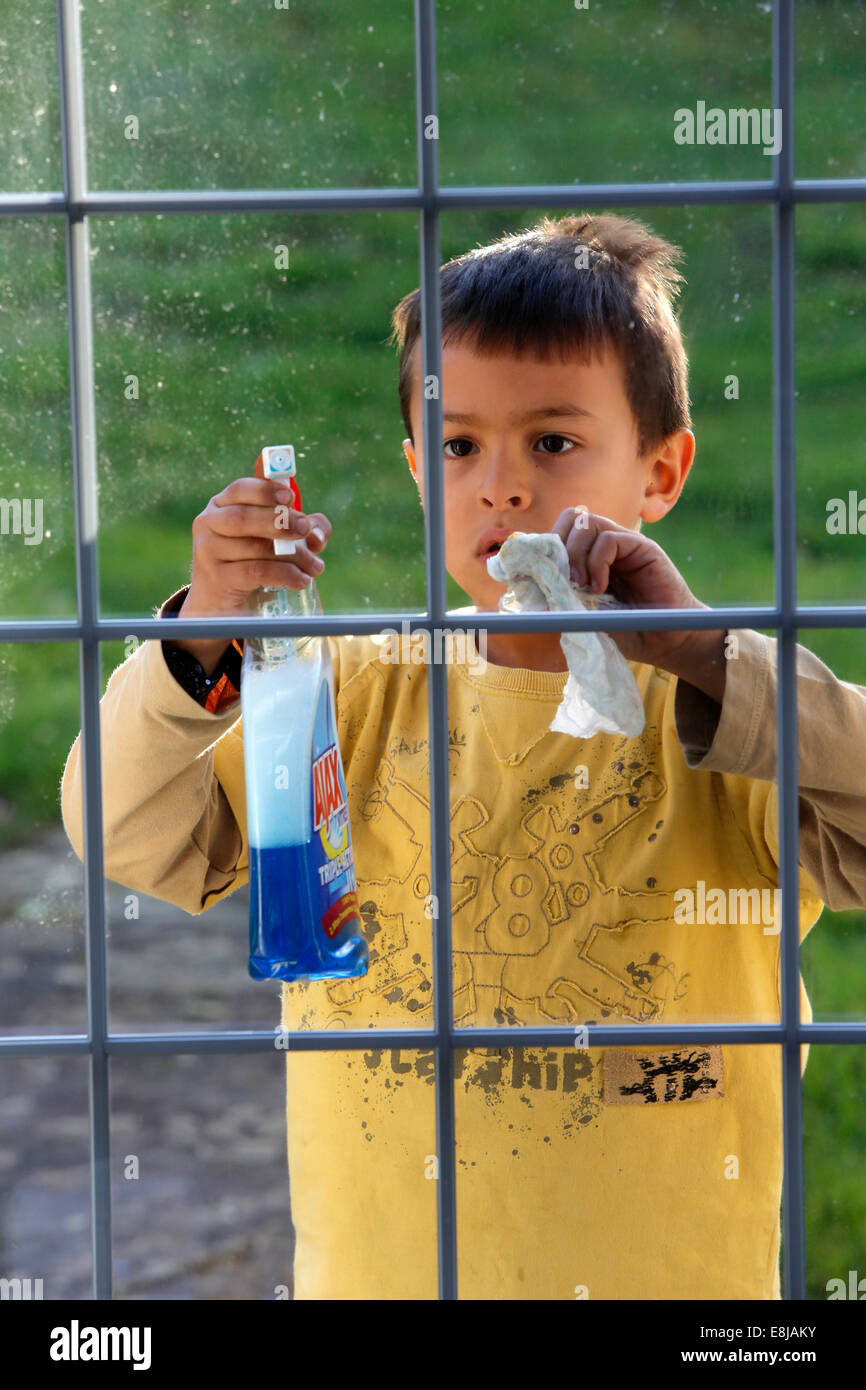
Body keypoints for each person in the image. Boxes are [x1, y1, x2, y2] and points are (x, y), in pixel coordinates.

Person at [60, 212, 866, 1299]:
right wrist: (201, 632)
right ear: (413, 464)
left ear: (660, 472)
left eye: (551, 441)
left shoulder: (723, 713)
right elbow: (127, 832)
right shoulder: (347, 691)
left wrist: (710, 655)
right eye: (457, 445)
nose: (500, 485)